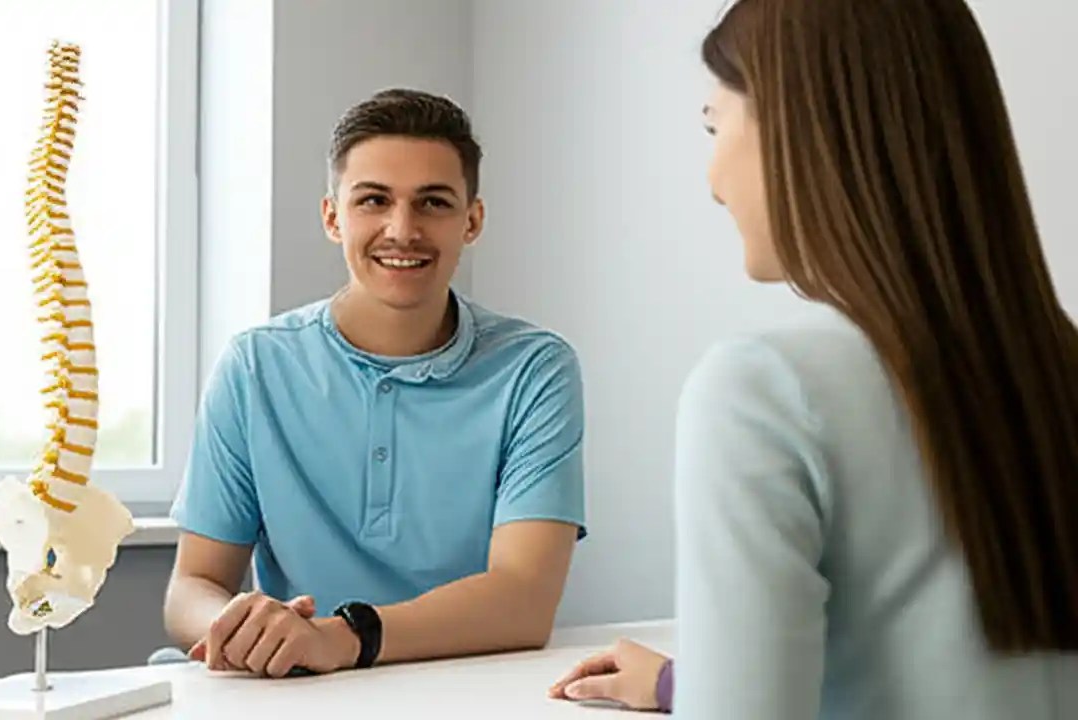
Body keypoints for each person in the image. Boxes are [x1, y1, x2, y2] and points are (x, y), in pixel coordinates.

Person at [549, 0, 1078, 717]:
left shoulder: (765, 391)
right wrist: (690, 683)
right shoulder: (1056, 373)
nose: (711, 179)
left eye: (714, 124)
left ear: (798, 127)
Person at [161, 88, 587, 678]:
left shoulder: (534, 370)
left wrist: (342, 637)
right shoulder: (254, 366)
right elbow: (192, 585)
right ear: (333, 217)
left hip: (472, 689)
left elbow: (524, 599)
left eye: (433, 202)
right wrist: (249, 625)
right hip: (298, 690)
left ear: (473, 221)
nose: (402, 229)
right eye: (373, 200)